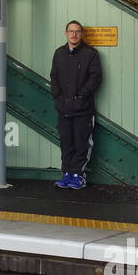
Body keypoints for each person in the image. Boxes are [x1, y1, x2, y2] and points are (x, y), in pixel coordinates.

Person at [50, 20, 102, 189]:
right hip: (63, 109)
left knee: (82, 143)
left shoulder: (90, 53)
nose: (74, 34)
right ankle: (66, 174)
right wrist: (58, 99)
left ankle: (78, 175)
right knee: (66, 142)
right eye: (71, 31)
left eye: (77, 31)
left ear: (81, 34)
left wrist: (81, 96)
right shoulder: (59, 53)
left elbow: (95, 78)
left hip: (83, 109)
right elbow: (54, 77)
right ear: (66, 33)